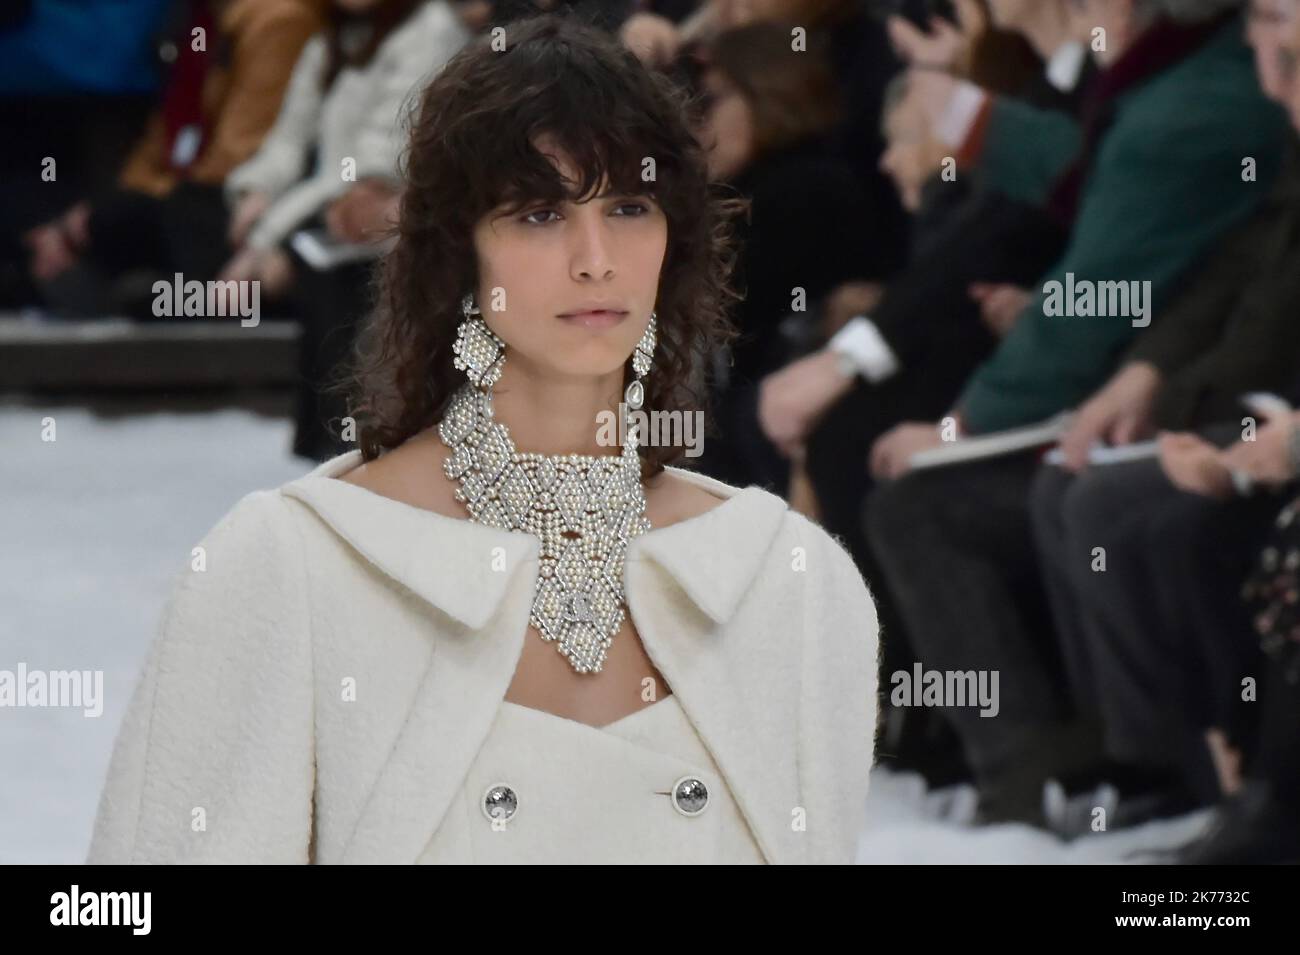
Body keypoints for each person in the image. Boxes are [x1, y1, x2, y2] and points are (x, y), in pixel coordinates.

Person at [86, 13, 881, 865]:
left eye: (629, 205)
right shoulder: (295, 569)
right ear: (456, 250)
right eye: (539, 213)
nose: (594, 257)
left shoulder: (786, 584)